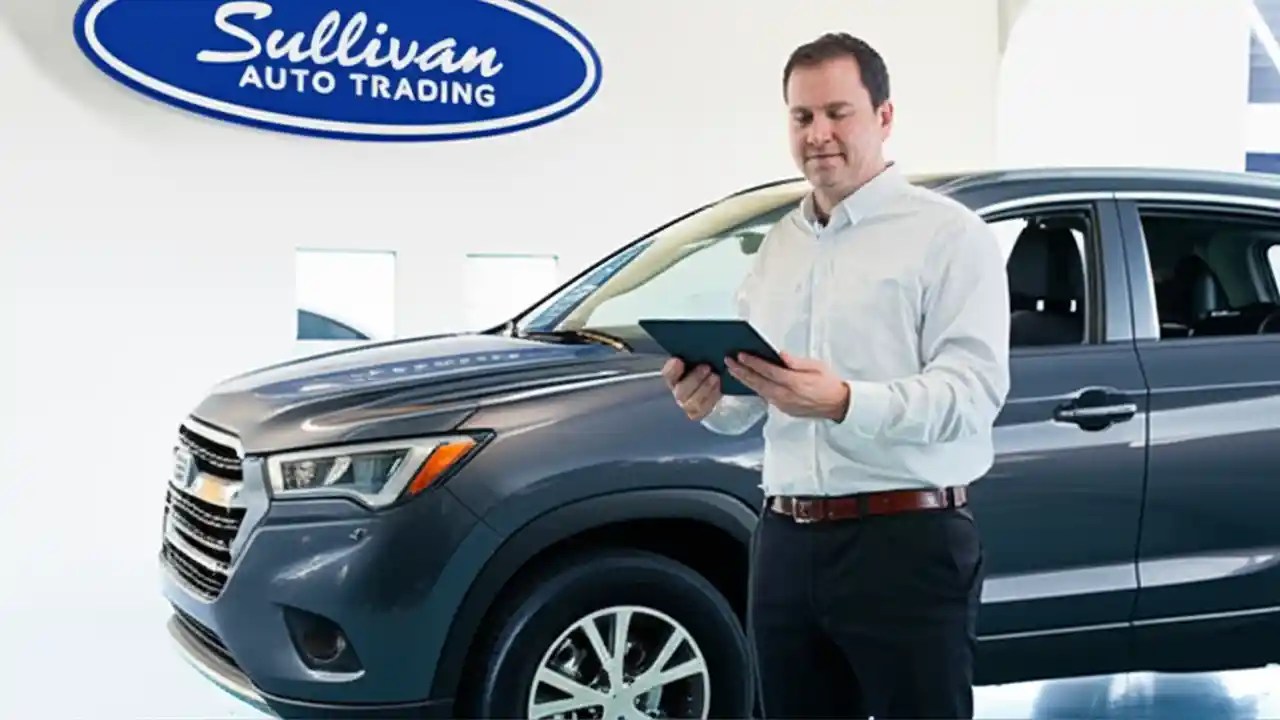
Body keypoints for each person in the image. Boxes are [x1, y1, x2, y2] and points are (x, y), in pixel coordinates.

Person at [660, 33, 1011, 719]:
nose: (818, 134)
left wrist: (848, 401)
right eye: (801, 116)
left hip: (906, 541)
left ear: (883, 117)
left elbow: (973, 391)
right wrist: (710, 399)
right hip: (786, 542)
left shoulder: (950, 236)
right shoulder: (781, 245)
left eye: (837, 112)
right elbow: (757, 396)